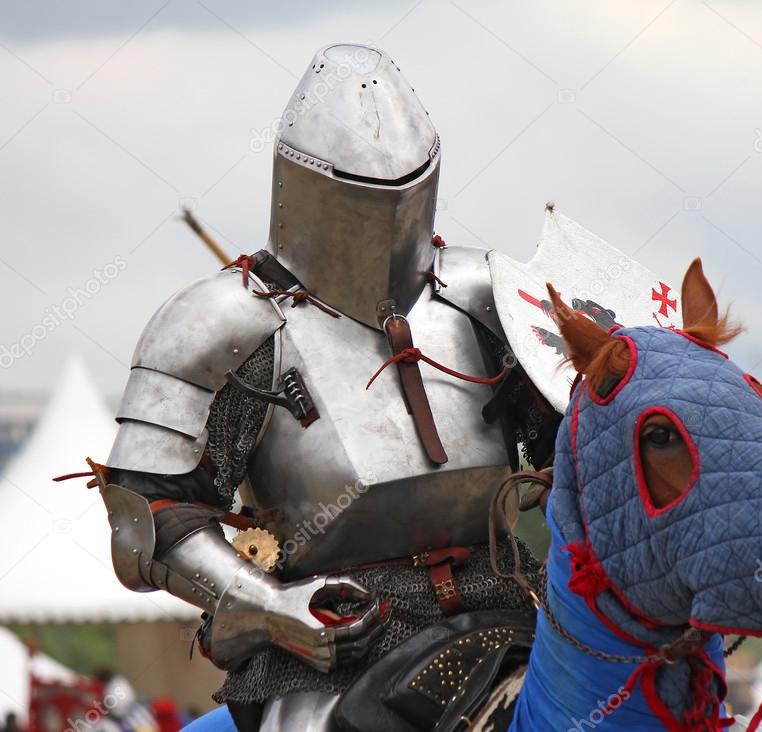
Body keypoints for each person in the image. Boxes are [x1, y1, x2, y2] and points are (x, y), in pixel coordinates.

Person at [94, 43, 561, 732]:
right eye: (366, 195)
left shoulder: (487, 298)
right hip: (333, 645)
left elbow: (586, 452)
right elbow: (148, 518)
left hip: (507, 609)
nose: (390, 216)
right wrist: (268, 607)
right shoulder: (226, 326)